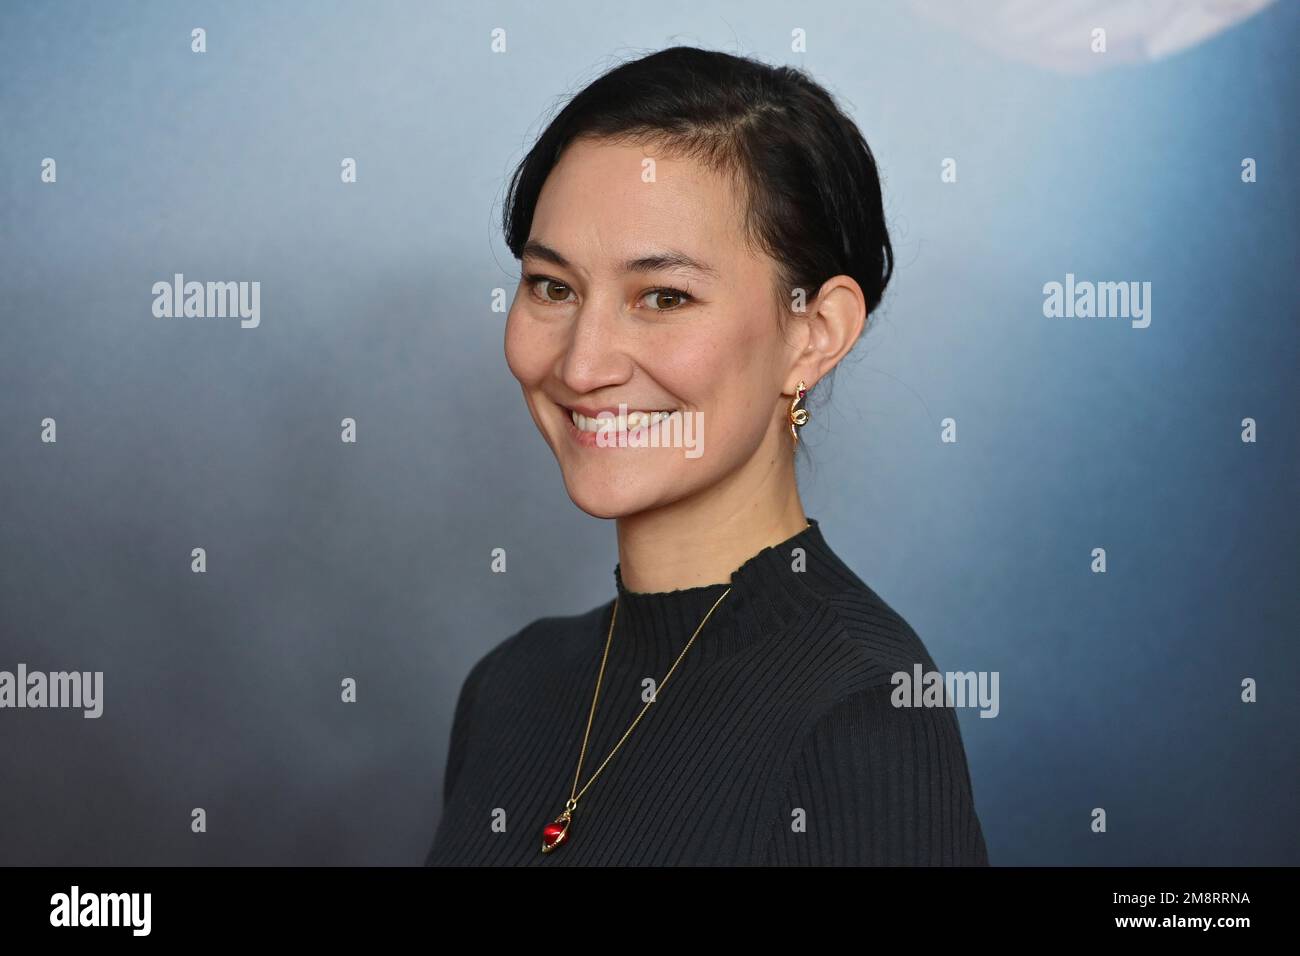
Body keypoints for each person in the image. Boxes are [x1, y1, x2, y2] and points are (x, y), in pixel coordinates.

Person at [424, 45, 989, 866]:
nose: (582, 366)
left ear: (813, 333)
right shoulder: (511, 684)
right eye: (553, 287)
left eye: (664, 297)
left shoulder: (862, 713)